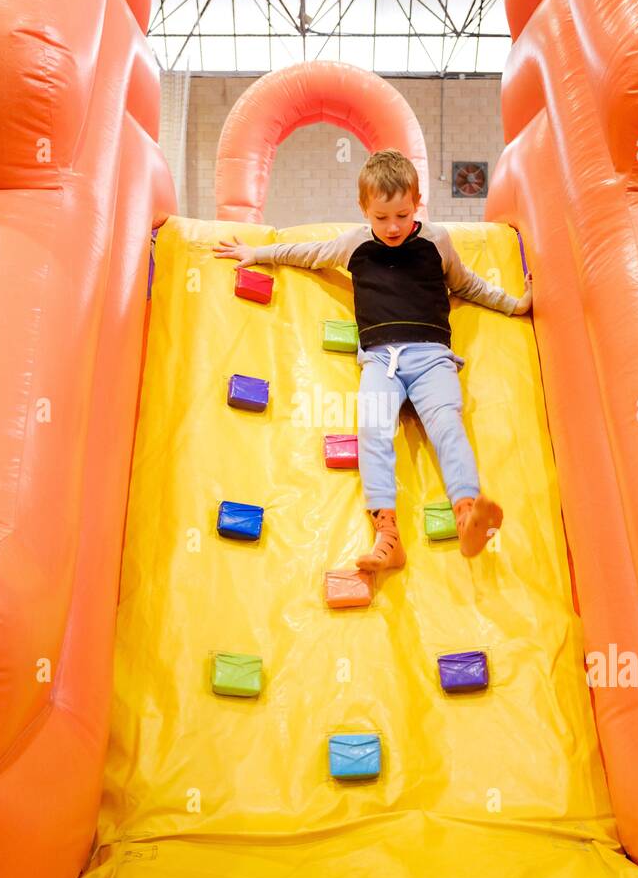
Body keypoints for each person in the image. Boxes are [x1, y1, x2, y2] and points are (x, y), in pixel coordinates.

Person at [213, 148, 532, 571]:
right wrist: (257, 254)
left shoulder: (436, 242)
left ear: (417, 204)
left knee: (446, 423)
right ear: (364, 209)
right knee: (373, 431)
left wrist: (514, 304)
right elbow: (309, 253)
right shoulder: (355, 244)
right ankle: (387, 534)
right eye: (381, 218)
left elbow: (467, 284)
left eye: (402, 215)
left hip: (432, 357)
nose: (393, 227)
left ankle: (467, 511)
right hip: (381, 361)